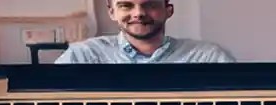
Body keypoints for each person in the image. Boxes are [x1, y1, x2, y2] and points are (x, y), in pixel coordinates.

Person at [56, 0, 235, 64]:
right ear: (112, 12)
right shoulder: (82, 56)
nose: (139, 13)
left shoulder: (208, 58)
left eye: (150, 4)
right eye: (126, 5)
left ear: (169, 10)